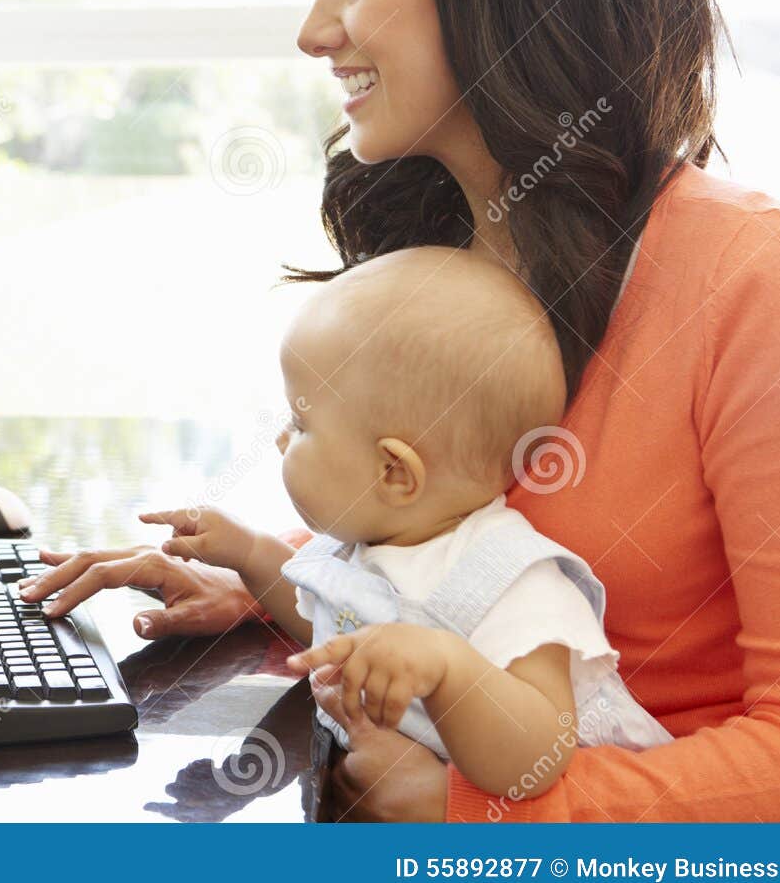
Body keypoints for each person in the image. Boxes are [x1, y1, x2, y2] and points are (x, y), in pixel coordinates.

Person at [20, 0, 780, 821]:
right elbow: (464, 526)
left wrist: (483, 808)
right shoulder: (433, 230)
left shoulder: (752, 276)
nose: (313, 29)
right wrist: (285, 579)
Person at [147, 246, 671, 805]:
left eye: (301, 424)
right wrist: (249, 554)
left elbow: (539, 758)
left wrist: (449, 669)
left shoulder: (513, 582)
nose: (281, 439)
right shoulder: (373, 541)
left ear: (395, 472)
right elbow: (333, 630)